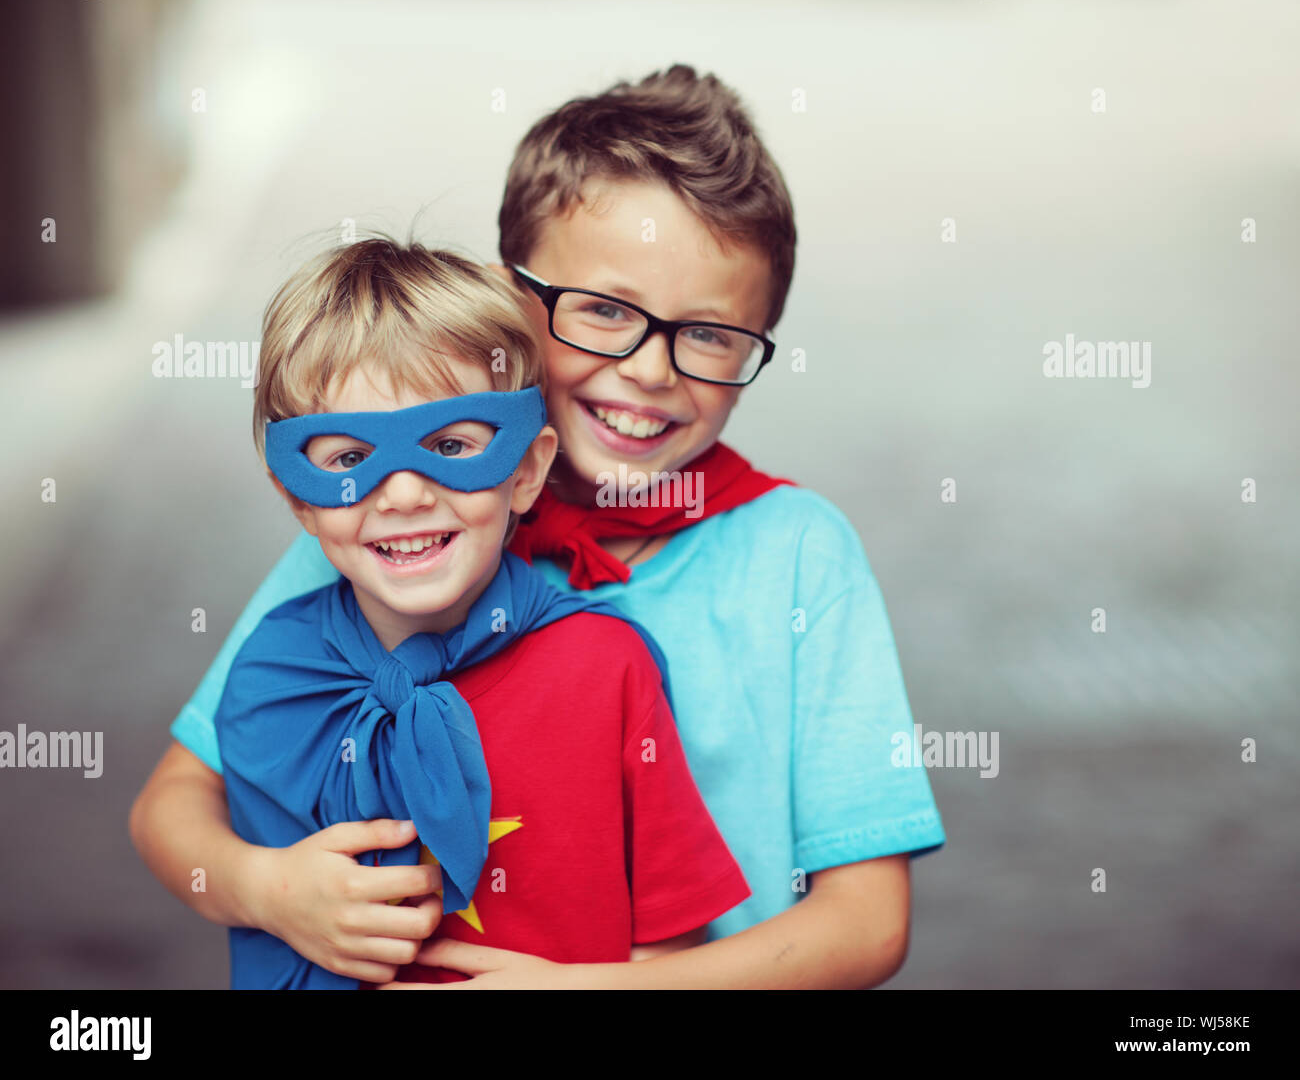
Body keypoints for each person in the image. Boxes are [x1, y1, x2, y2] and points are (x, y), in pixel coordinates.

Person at [130, 65, 945, 990]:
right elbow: (173, 804)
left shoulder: (800, 555)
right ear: (509, 299)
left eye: (711, 334)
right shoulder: (407, 522)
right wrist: (265, 887)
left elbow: (867, 926)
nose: (649, 370)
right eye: (603, 311)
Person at [203, 237, 749, 988]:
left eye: (452, 445)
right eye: (347, 460)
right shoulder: (274, 675)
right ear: (298, 496)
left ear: (526, 470)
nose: (402, 494)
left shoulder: (607, 669)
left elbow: (670, 950)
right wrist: (268, 890)